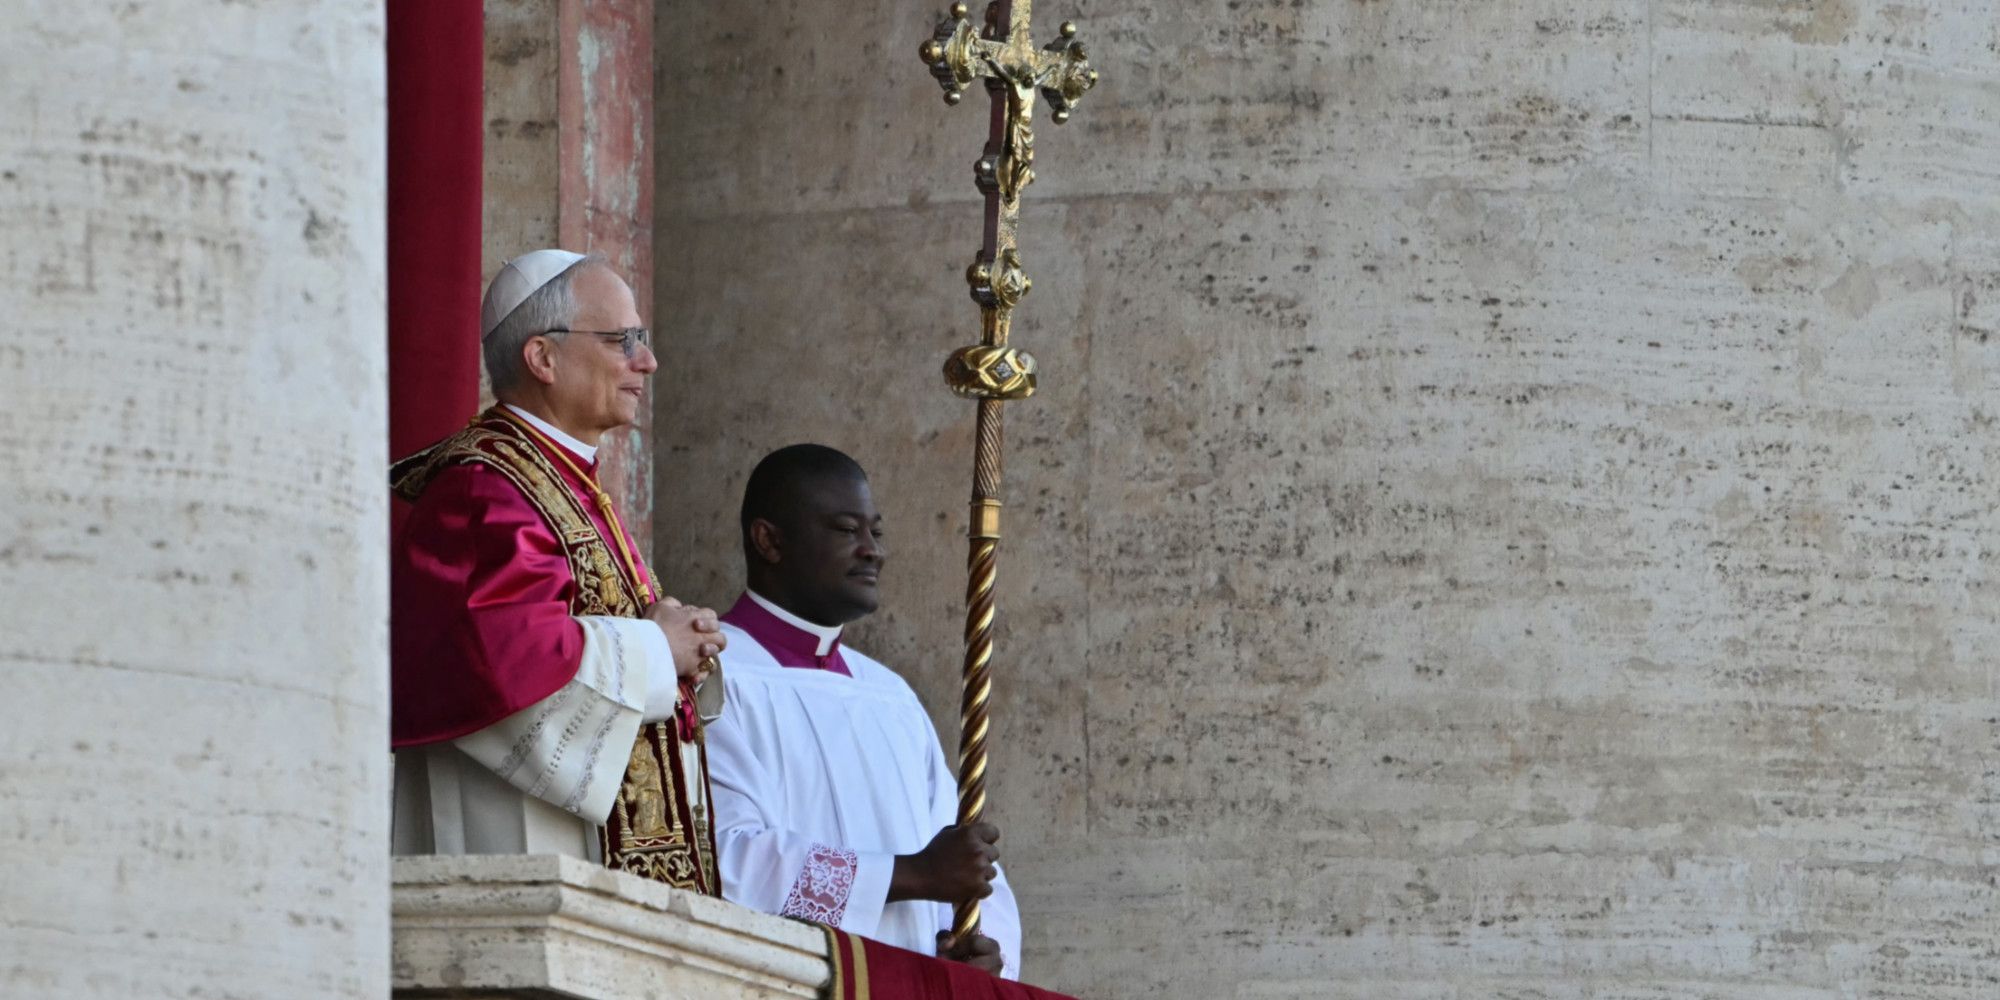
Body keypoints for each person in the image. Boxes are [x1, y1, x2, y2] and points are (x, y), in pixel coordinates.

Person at [388, 249, 727, 894]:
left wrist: (686, 644)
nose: (646, 361)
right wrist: (657, 649)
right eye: (622, 340)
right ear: (542, 358)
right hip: (519, 860)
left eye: (643, 339)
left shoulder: (569, 482)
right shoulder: (485, 488)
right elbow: (497, 656)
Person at [705, 445, 1023, 978]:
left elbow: (962, 855)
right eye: (846, 530)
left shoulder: (890, 695)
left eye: (876, 532)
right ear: (769, 540)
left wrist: (983, 944)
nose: (870, 550)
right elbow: (724, 863)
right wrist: (913, 875)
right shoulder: (711, 674)